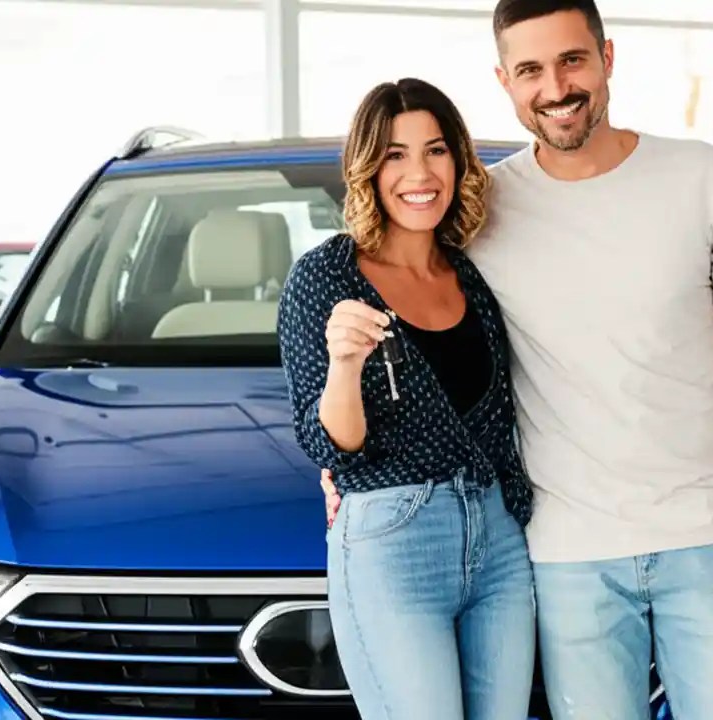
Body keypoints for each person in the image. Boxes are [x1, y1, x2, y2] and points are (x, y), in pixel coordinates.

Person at [321, 1, 713, 718]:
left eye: (572, 60)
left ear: (608, 56)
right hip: (568, 552)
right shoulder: (480, 211)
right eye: (531, 70)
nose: (556, 87)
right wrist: (340, 459)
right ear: (505, 81)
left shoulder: (702, 176)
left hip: (710, 540)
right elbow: (421, 324)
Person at [276, 77, 537, 720]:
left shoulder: (473, 273)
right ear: (368, 166)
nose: (419, 172)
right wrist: (344, 364)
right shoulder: (327, 276)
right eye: (395, 154)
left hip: (500, 542)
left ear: (458, 161)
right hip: (395, 544)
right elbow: (331, 444)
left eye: (436, 150)